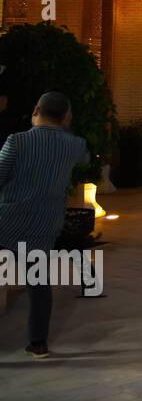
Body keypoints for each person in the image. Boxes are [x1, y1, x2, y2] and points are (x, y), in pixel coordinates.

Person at [0, 91, 90, 358]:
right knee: (38, 283)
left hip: (7, 221)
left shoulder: (16, 141)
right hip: (44, 224)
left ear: (36, 109)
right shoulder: (75, 145)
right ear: (65, 116)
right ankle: (38, 344)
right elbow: (84, 158)